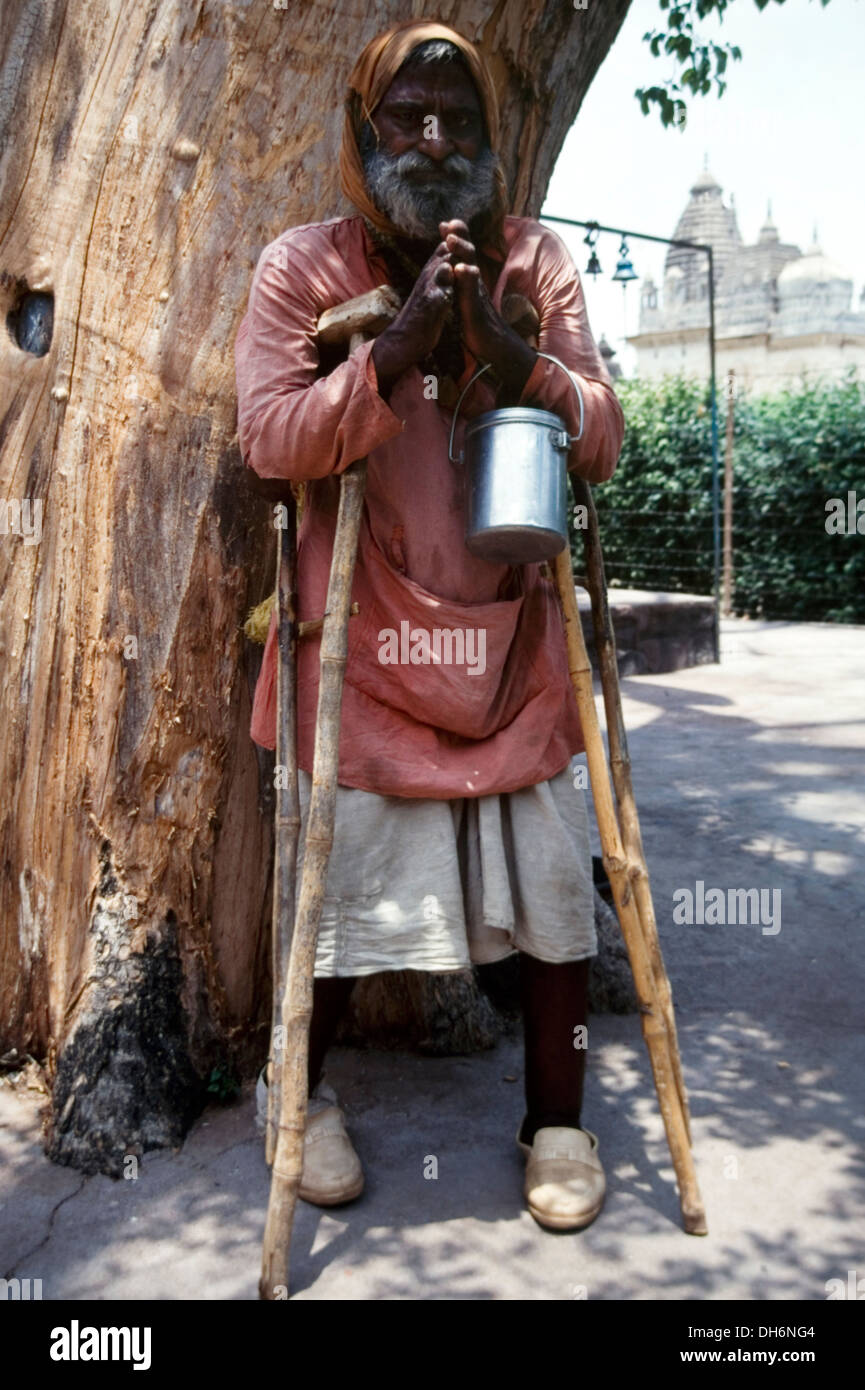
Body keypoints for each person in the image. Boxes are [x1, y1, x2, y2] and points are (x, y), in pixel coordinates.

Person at [234, 19, 625, 1231]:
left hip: (508, 647)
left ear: (489, 138)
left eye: (456, 117)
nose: (436, 137)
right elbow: (268, 438)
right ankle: (294, 1093)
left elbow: (602, 436)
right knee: (336, 897)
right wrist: (392, 354)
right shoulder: (303, 265)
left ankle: (556, 1120)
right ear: (366, 133)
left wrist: (510, 356)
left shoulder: (537, 266)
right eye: (407, 115)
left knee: (557, 896)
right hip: (361, 647)